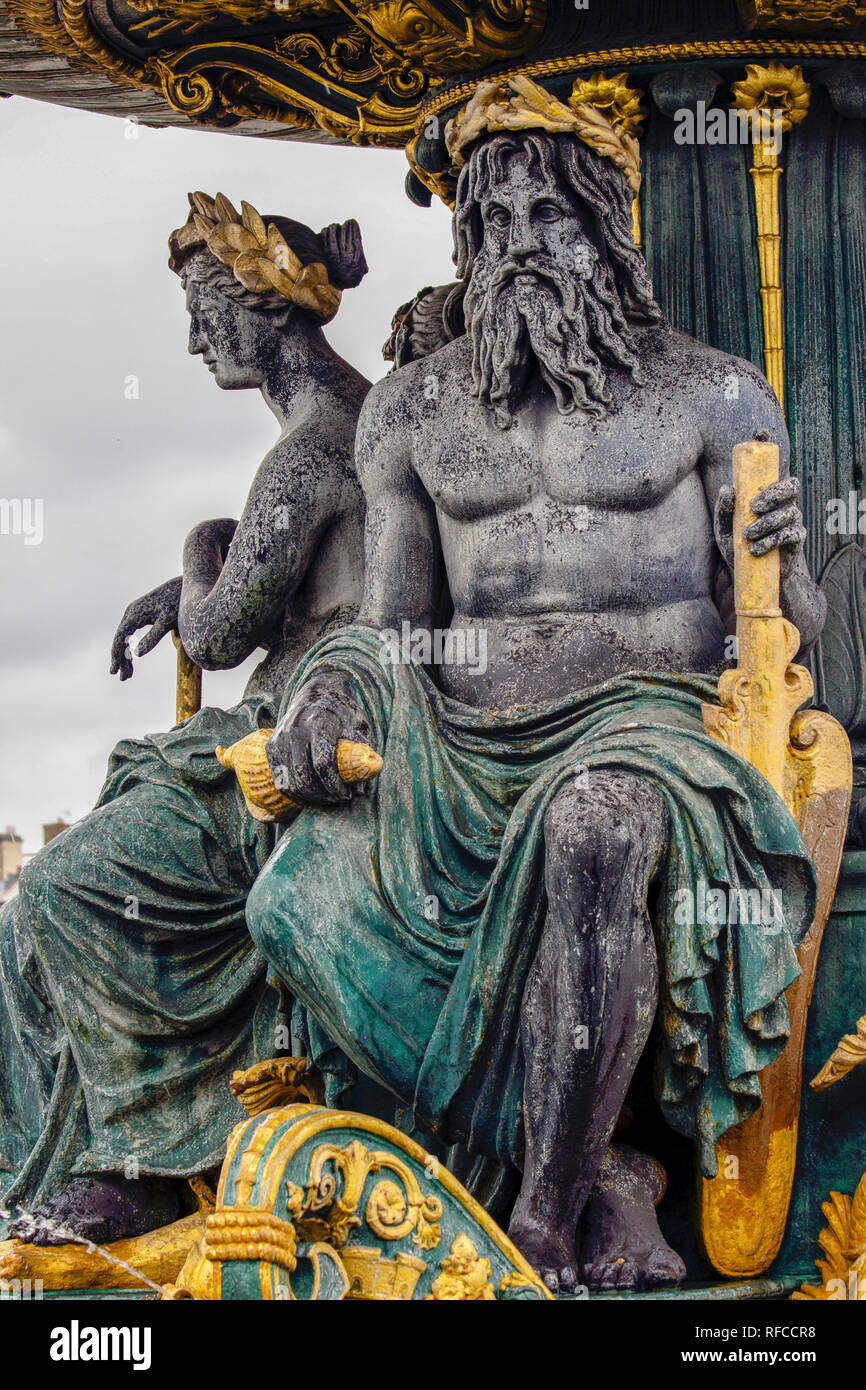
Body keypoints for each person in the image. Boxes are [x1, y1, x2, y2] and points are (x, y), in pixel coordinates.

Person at [246, 81, 824, 1292]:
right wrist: (341, 689)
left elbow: (786, 626)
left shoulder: (710, 395)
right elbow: (393, 626)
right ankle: (602, 1168)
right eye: (490, 219)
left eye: (548, 214)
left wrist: (782, 552)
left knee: (595, 828)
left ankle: (546, 1211)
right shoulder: (411, 414)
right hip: (461, 741)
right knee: (289, 896)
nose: (519, 243)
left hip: (651, 725)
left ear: (609, 228)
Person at [0, 193, 368, 1245]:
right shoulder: (342, 426)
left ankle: (140, 1159)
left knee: (63, 888)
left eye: (211, 303)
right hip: (300, 705)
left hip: (293, 729)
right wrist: (204, 564)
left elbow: (215, 633)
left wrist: (198, 552)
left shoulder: (307, 450)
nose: (196, 334)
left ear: (274, 305)